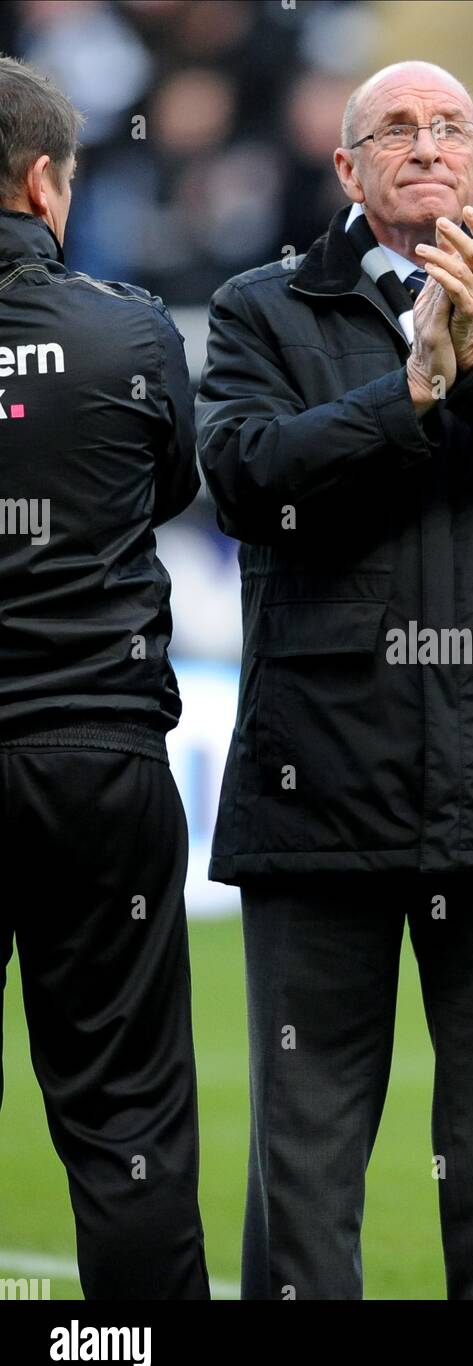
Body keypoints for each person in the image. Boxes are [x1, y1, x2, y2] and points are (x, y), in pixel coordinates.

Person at [197, 58, 473, 1300]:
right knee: (305, 1157)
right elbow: (243, 477)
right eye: (395, 128)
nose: (428, 145)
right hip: (319, 786)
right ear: (345, 168)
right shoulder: (260, 307)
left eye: (453, 127)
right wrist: (404, 398)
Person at [0, 55, 209, 1299]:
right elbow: (167, 487)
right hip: (95, 757)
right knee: (126, 1121)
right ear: (43, 180)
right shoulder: (126, 328)